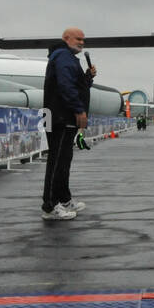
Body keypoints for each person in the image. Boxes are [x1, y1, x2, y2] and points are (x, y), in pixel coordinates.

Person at [41, 27, 94, 220]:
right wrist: (79, 109)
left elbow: (75, 85)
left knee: (64, 162)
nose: (81, 42)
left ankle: (63, 199)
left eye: (83, 39)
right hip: (60, 116)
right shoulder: (63, 56)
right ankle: (49, 206)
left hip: (63, 117)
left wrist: (87, 78)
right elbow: (65, 85)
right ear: (66, 38)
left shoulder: (67, 57)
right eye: (78, 38)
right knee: (57, 162)